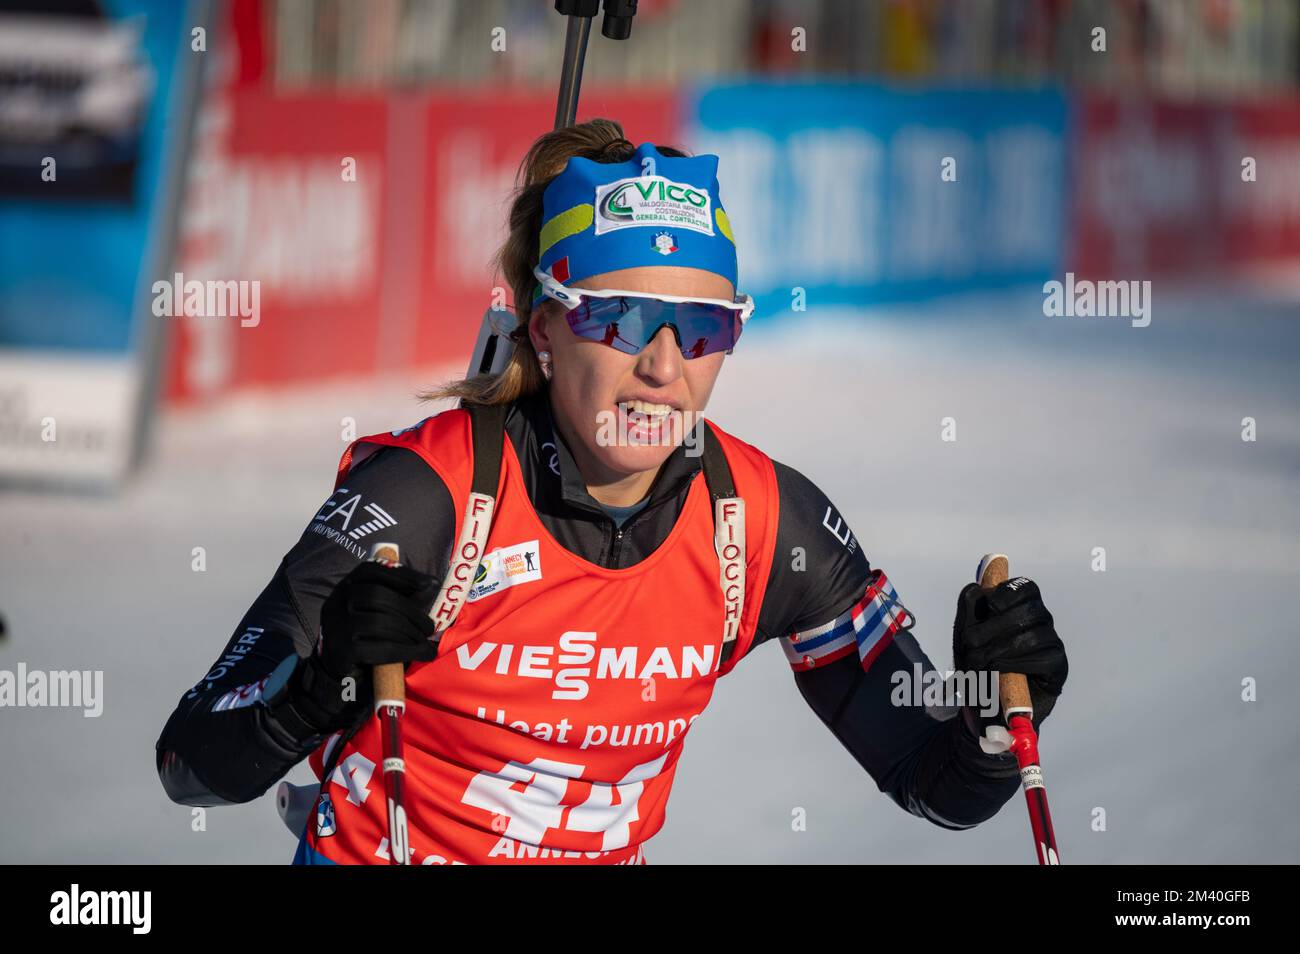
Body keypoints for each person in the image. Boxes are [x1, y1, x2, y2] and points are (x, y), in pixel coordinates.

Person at [155, 119, 1067, 865]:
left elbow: (933, 779)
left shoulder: (759, 522)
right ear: (545, 327)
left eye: (703, 328)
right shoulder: (432, 496)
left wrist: (995, 712)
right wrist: (320, 689)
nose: (665, 366)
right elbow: (190, 762)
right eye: (623, 319)